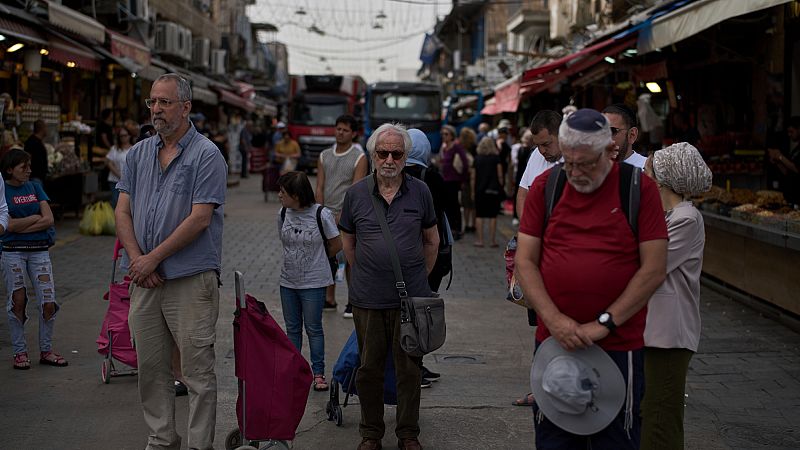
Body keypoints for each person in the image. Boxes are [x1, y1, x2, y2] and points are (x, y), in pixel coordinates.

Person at [516, 108, 668, 449]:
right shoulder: (547, 187)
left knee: (616, 439)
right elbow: (525, 261)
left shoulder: (638, 189)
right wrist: (554, 320)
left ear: (610, 152)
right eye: (569, 163)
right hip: (555, 343)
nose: (576, 172)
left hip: (618, 344)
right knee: (555, 439)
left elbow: (654, 268)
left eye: (585, 164)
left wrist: (604, 324)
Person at [115, 73, 227, 450]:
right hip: (145, 281)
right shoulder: (138, 153)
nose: (156, 110)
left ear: (185, 106)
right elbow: (122, 212)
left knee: (196, 371)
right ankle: (162, 439)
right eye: (152, 102)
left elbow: (200, 219)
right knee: (151, 370)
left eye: (164, 102)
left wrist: (152, 260)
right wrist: (137, 260)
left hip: (190, 280)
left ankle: (199, 445)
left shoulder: (206, 155)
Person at [339, 123, 439, 450]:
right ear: (372, 155)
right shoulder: (355, 195)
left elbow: (431, 240)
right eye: (383, 153)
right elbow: (348, 242)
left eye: (397, 153)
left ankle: (408, 433)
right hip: (368, 299)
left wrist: (418, 277)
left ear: (406, 157)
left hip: (411, 300)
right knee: (369, 368)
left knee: (410, 368)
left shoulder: (420, 192)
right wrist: (366, 270)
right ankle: (371, 434)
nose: (390, 159)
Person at [641, 142, 712, 450]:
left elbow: (652, 264)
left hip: (670, 333)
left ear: (662, 177)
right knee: (651, 412)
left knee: (660, 419)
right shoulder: (667, 214)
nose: (643, 174)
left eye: (647, 169)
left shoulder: (686, 218)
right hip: (654, 330)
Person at [511, 111, 563, 408]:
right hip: (541, 252)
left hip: (564, 256)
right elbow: (522, 193)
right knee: (543, 320)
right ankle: (542, 387)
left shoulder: (576, 160)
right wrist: (527, 232)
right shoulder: (537, 157)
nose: (543, 151)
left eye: (547, 144)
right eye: (539, 145)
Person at [277, 171, 342, 392]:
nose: (279, 196)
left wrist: (318, 259)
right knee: (292, 329)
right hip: (288, 281)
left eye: (283, 192)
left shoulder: (322, 214)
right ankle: (293, 370)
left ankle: (318, 373)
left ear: (296, 195)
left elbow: (336, 244)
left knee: (313, 328)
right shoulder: (283, 213)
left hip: (314, 282)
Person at [1, 149, 65, 370]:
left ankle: (46, 350)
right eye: (23, 167)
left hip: (40, 251)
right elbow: (7, 226)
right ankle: (20, 353)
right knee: (17, 301)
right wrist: (33, 219)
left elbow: (48, 219)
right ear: (9, 169)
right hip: (12, 252)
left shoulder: (35, 186)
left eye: (29, 166)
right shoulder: (2, 189)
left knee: (48, 302)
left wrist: (22, 225)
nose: (28, 170)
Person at [404, 128, 449, 388]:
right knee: (421, 313)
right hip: (432, 254)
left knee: (407, 314)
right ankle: (414, 367)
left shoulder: (394, 176)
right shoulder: (433, 177)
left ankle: (414, 365)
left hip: (406, 255)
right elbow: (447, 209)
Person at [315, 114, 368, 317]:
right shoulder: (324, 155)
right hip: (325, 214)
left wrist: (343, 216)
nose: (340, 132)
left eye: (345, 130)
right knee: (329, 257)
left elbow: (356, 189)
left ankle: (353, 301)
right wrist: (319, 212)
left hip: (348, 216)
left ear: (353, 133)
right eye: (338, 128)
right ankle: (329, 299)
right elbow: (319, 185)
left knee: (350, 258)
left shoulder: (359, 157)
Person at [437, 124, 467, 240]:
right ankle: (449, 228)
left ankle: (457, 229)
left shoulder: (456, 147)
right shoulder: (443, 147)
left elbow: (464, 164)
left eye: (446, 134)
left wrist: (463, 179)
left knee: (455, 205)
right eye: (442, 134)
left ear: (452, 135)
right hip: (444, 179)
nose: (443, 136)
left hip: (454, 180)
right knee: (447, 205)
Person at [472, 137, 503, 247]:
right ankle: (492, 241)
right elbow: (499, 174)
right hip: (493, 190)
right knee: (492, 216)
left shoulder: (477, 158)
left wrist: (472, 191)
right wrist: (501, 185)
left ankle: (480, 240)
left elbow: (473, 177)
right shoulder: (496, 158)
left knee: (479, 215)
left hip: (480, 190)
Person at [767, 116, 800, 205]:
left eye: (791, 131)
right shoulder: (796, 149)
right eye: (788, 132)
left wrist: (780, 156)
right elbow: (787, 171)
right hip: (790, 196)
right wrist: (777, 161)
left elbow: (797, 168)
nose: (789, 134)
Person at [603, 103, 646, 168]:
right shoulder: (591, 169)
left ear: (632, 135)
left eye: (611, 131)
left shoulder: (647, 170)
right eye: (600, 131)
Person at [106, 128, 133, 209]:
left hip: (129, 182)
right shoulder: (114, 149)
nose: (123, 137)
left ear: (129, 136)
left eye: (125, 135)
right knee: (116, 201)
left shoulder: (134, 149)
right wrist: (118, 174)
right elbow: (108, 162)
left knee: (126, 204)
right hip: (115, 180)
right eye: (121, 136)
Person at [458, 127, 477, 233]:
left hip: (464, 177)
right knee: (473, 203)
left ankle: (466, 224)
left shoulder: (460, 147)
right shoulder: (475, 147)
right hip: (474, 177)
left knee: (465, 204)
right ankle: (473, 225)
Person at [24, 120, 48, 184]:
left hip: (39, 177)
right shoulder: (32, 142)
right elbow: (27, 159)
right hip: (35, 177)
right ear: (42, 128)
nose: (47, 130)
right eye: (46, 127)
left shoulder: (38, 141)